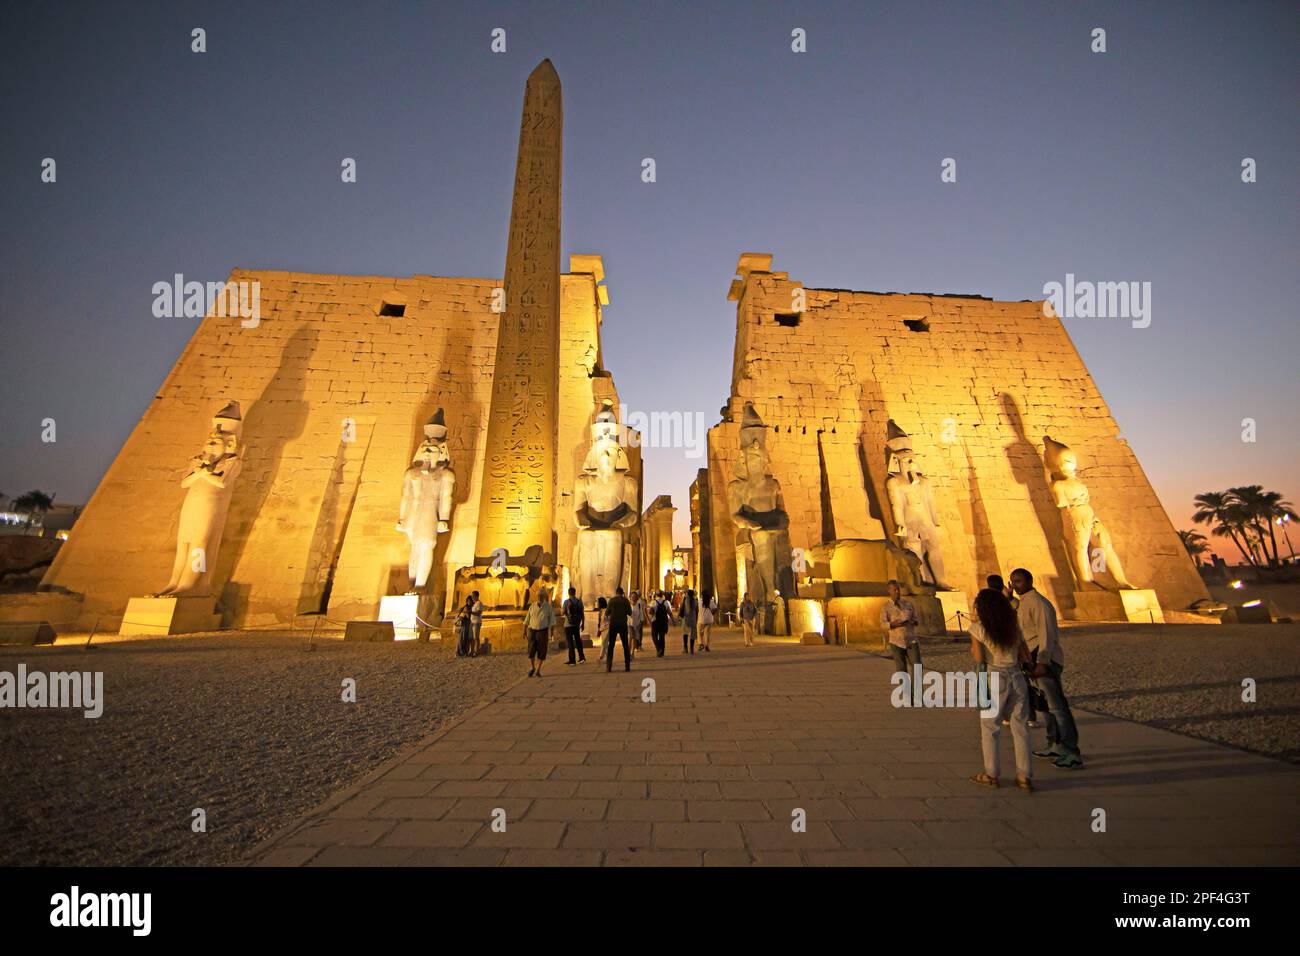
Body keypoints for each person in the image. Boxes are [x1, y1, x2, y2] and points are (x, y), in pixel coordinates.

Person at [1009, 568, 1083, 770]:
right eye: (1013, 582)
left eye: (1019, 581)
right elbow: (1019, 613)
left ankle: (1071, 751)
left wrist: (1042, 661)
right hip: (1031, 659)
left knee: (1058, 707)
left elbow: (1047, 635)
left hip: (1043, 660)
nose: (1015, 585)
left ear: (1030, 581)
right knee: (1047, 707)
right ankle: (1055, 744)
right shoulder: (1024, 602)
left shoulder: (1040, 603)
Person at [968, 587, 1034, 791]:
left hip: (995, 677)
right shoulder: (1013, 626)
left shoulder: (978, 628)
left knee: (990, 727)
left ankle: (991, 774)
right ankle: (1024, 776)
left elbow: (979, 660)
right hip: (1016, 677)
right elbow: (1026, 656)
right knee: (1020, 728)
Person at [880, 579, 922, 690]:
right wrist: (893, 624)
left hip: (911, 639)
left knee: (917, 666)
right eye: (895, 589)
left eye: (898, 589)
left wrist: (911, 621)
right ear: (889, 591)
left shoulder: (908, 604)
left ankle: (917, 695)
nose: (898, 591)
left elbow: (916, 620)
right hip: (896, 641)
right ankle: (907, 695)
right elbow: (883, 624)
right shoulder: (885, 607)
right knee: (901, 669)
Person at [523, 587, 555, 678]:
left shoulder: (548, 607)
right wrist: (524, 631)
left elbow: (552, 621)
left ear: (544, 596)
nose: (539, 597)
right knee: (531, 650)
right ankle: (533, 667)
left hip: (543, 631)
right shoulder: (532, 606)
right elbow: (527, 620)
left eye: (541, 596)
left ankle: (538, 670)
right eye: (538, 596)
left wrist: (552, 633)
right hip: (532, 630)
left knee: (542, 651)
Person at [604, 586, 633, 672]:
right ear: (622, 592)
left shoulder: (612, 600)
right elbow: (630, 613)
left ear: (616, 592)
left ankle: (609, 666)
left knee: (611, 645)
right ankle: (627, 666)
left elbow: (607, 613)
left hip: (613, 624)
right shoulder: (626, 601)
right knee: (625, 645)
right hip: (623, 624)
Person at [562, 586, 586, 665]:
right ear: (575, 593)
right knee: (578, 641)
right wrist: (583, 624)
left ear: (569, 593)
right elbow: (582, 614)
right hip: (576, 624)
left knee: (570, 642)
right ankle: (581, 657)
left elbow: (563, 612)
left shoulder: (566, 602)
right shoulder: (579, 602)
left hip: (568, 625)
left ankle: (572, 659)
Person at [650, 590, 672, 657]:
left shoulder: (653, 602)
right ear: (662, 595)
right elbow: (669, 612)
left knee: (654, 636)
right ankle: (662, 652)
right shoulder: (666, 602)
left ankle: (658, 649)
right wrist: (673, 620)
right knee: (662, 637)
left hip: (655, 621)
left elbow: (650, 611)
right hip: (663, 621)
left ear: (656, 595)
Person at [680, 588, 699, 654]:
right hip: (693, 619)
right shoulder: (695, 601)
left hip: (686, 619)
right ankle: (691, 649)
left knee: (685, 633)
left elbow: (682, 609)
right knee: (692, 634)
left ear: (687, 594)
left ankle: (685, 648)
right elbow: (697, 611)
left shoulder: (685, 600)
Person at [469, 590, 484, 656]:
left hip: (477, 622)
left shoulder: (479, 603)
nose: (472, 597)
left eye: (473, 596)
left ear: (476, 596)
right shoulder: (474, 603)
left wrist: (470, 612)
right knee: (471, 637)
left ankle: (476, 651)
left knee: (476, 637)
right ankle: (471, 651)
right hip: (472, 622)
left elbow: (479, 613)